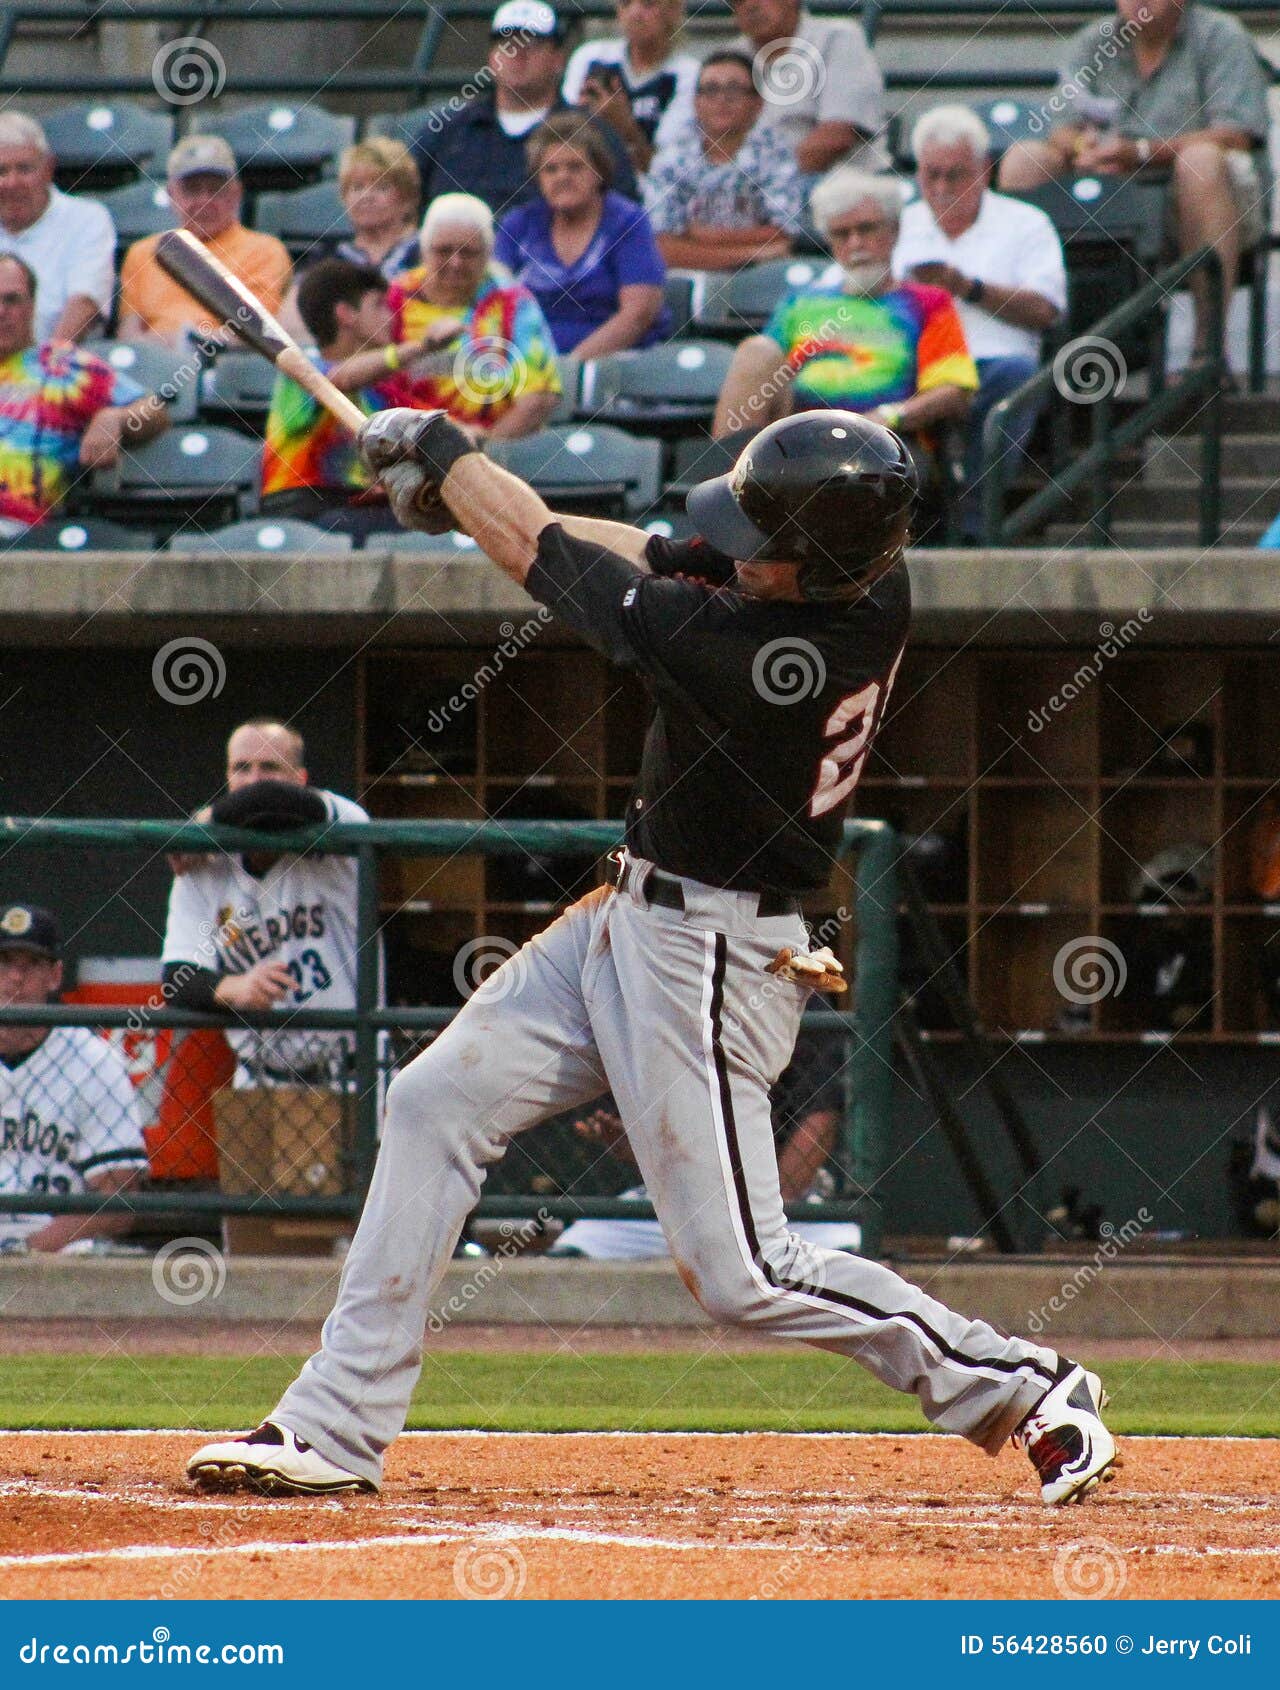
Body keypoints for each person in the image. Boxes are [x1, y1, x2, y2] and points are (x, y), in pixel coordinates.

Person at [186, 401, 1118, 1509]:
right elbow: (636, 549)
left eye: (759, 539)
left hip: (711, 957)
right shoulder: (863, 577)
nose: (736, 549)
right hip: (622, 917)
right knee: (433, 1100)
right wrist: (463, 498)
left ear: (804, 565)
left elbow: (553, 562)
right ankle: (335, 1422)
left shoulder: (758, 656)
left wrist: (450, 459)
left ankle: (1027, 1383)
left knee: (744, 1273)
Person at [998, 0, 1270, 374]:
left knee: (1202, 161)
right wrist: (1083, 148)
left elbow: (1237, 134)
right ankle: (1020, 347)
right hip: (1108, 194)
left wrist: (1140, 152)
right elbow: (1059, 124)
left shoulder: (1222, 36)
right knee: (1024, 159)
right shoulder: (1093, 41)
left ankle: (1207, 355)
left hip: (1195, 200)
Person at [893, 106, 1066, 533]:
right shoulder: (898, 223)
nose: (941, 187)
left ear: (984, 171)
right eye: (930, 175)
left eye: (955, 175)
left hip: (993, 364)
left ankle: (973, 522)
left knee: (1015, 376)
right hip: (916, 365)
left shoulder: (1026, 223)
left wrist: (966, 287)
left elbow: (1046, 310)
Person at [712, 169, 977, 446]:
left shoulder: (929, 303)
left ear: (894, 230)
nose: (855, 243)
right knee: (757, 352)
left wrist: (889, 416)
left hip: (885, 443)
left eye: (866, 229)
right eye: (842, 234)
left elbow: (954, 390)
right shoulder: (800, 303)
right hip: (800, 439)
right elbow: (768, 379)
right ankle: (730, 479)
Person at [550, 1036, 862, 1258]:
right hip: (681, 1204)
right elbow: (669, 1150)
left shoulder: (789, 991)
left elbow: (819, 1120)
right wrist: (639, 1148)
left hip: (778, 1211)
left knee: (847, 1245)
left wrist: (769, 1208)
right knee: (579, 1244)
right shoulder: (667, 998)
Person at [262, 259, 463, 537]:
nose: (392, 314)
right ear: (346, 314)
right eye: (379, 304)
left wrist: (472, 433)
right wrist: (422, 347)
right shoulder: (299, 366)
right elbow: (340, 379)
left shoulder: (378, 390)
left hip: (356, 510)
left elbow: (434, 423)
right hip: (299, 508)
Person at [0, 904, 147, 1255]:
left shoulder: (94, 1062)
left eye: (31, 965)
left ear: (55, 976)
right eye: (4, 962)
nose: (15, 978)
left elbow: (119, 1202)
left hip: (60, 1250)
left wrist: (31, 1249)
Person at [411, 1, 638, 217]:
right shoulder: (448, 130)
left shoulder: (590, 133)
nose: (517, 55)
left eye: (533, 45)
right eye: (506, 45)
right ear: (491, 57)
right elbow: (406, 200)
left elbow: (621, 212)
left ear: (558, 59)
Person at [0, 254, 168, 534]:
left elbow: (155, 412)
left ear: (32, 306)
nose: (1, 311)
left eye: (12, 300)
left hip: (23, 530)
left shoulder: (60, 365)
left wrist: (115, 417)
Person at [386, 193, 561, 438]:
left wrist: (479, 450)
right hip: (405, 447)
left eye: (468, 252)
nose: (455, 262)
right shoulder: (395, 297)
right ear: (424, 251)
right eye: (443, 250)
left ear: (488, 253)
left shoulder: (513, 302)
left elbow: (538, 398)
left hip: (492, 449)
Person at [495, 112, 665, 357]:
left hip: (612, 364)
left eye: (575, 167)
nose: (562, 177)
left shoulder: (628, 221)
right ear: (538, 178)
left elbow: (638, 314)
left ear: (599, 172)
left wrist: (571, 369)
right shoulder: (518, 225)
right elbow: (491, 305)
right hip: (527, 361)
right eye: (551, 170)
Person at [117, 136, 293, 348]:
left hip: (226, 365)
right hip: (157, 367)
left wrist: (190, 342)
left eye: (216, 190)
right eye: (192, 189)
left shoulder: (265, 250)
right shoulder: (143, 252)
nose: (205, 201)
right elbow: (129, 337)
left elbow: (258, 333)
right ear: (172, 195)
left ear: (236, 194)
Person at [644, 50, 804, 273]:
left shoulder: (777, 154)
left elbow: (784, 234)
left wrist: (702, 237)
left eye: (734, 89)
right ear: (696, 102)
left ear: (758, 103)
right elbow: (662, 249)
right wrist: (753, 253)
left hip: (759, 280)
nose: (722, 99)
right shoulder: (670, 159)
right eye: (711, 90)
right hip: (685, 282)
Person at [728, 0, 887, 176]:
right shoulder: (729, 57)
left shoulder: (837, 37)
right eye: (738, 1)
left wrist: (770, 181)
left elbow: (837, 137)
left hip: (838, 188)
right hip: (751, 187)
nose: (751, 6)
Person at [0, 113, 115, 344]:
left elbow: (85, 302)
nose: (12, 183)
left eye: (24, 169)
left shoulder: (87, 219)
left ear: (48, 169)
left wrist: (46, 365)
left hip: (58, 367)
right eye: (1, 171)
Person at [562, 0, 699, 177]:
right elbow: (564, 134)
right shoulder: (591, 57)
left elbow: (662, 169)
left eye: (648, 4)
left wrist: (625, 126)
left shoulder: (688, 74)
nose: (635, 14)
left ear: (673, 11)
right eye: (626, 4)